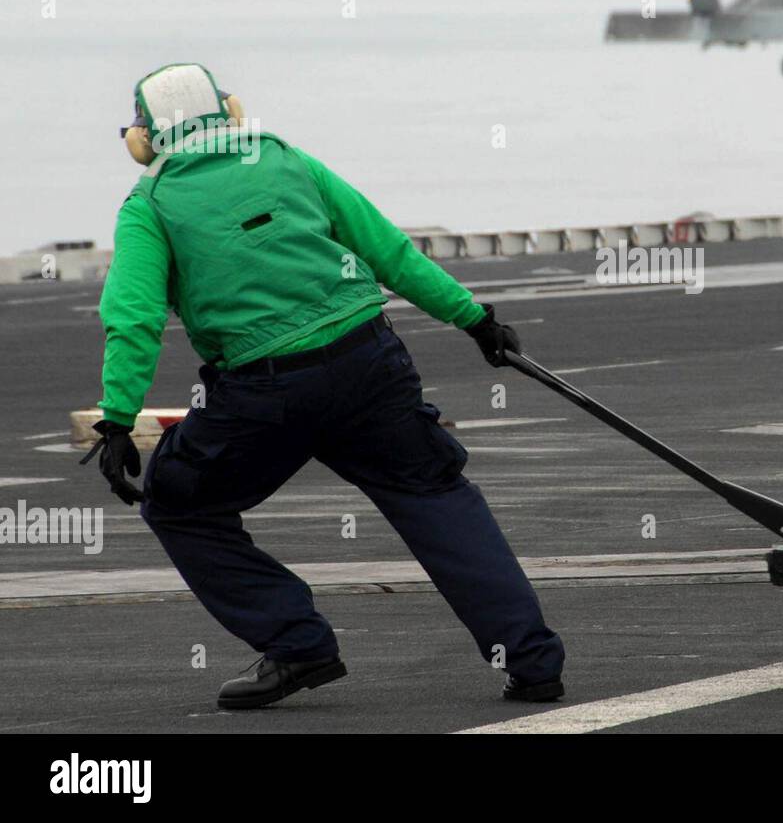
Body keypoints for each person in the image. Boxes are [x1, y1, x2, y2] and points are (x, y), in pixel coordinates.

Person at [83, 63, 564, 709]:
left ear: (143, 138)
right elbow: (386, 248)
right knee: (435, 496)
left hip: (263, 392)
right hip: (368, 363)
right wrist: (474, 319)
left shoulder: (150, 205)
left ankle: (297, 643)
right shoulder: (286, 160)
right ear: (229, 112)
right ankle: (531, 663)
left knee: (177, 502)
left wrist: (117, 421)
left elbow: (134, 318)